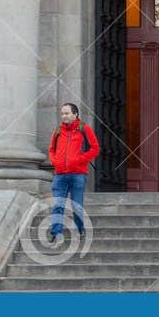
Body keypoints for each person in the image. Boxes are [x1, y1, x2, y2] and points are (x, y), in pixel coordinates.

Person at [47, 102, 99, 241]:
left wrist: (79, 159)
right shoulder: (58, 131)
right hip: (60, 175)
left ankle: (80, 229)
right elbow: (51, 149)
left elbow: (95, 148)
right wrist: (55, 161)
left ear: (75, 114)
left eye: (67, 113)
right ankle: (55, 232)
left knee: (77, 206)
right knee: (58, 204)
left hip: (77, 174)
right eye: (62, 113)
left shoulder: (84, 129)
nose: (64, 116)